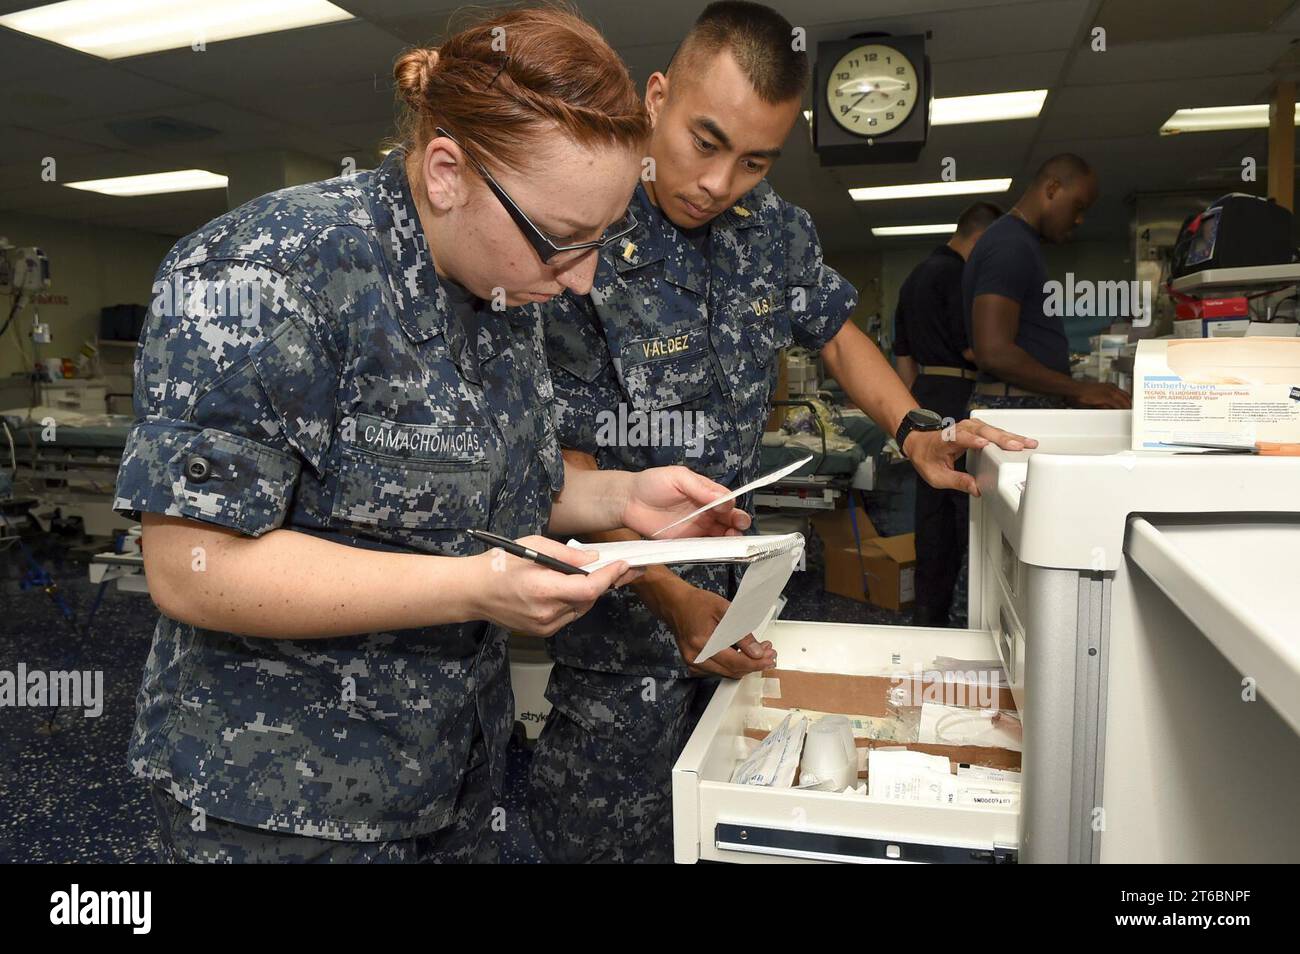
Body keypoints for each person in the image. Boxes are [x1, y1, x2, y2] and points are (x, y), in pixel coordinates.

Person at [112, 6, 748, 865]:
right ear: (447, 172)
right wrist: (474, 588)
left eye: (602, 241)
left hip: (455, 772)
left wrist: (627, 499)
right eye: (563, 243)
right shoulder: (265, 272)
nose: (582, 280)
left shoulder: (503, 278)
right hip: (280, 804)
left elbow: (485, 484)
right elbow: (195, 571)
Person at [528, 1, 1034, 864]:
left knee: (741, 838)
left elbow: (837, 333)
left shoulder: (775, 233)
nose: (719, 183)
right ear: (655, 99)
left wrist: (913, 428)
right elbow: (558, 464)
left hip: (738, 609)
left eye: (754, 160)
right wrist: (672, 601)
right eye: (706, 141)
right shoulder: (584, 229)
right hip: (620, 637)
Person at [893, 202, 1001, 627]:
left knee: (931, 510)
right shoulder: (959, 276)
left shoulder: (914, 277)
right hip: (959, 392)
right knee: (964, 505)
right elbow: (976, 349)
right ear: (983, 239)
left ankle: (928, 611)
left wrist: (910, 413)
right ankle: (965, 615)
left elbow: (903, 357)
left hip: (922, 397)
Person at [964, 154, 1131, 411]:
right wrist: (1078, 389)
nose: (1079, 219)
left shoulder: (1020, 242)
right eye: (1078, 207)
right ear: (1052, 189)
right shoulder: (1010, 244)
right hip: (1012, 407)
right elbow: (993, 352)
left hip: (1023, 402)